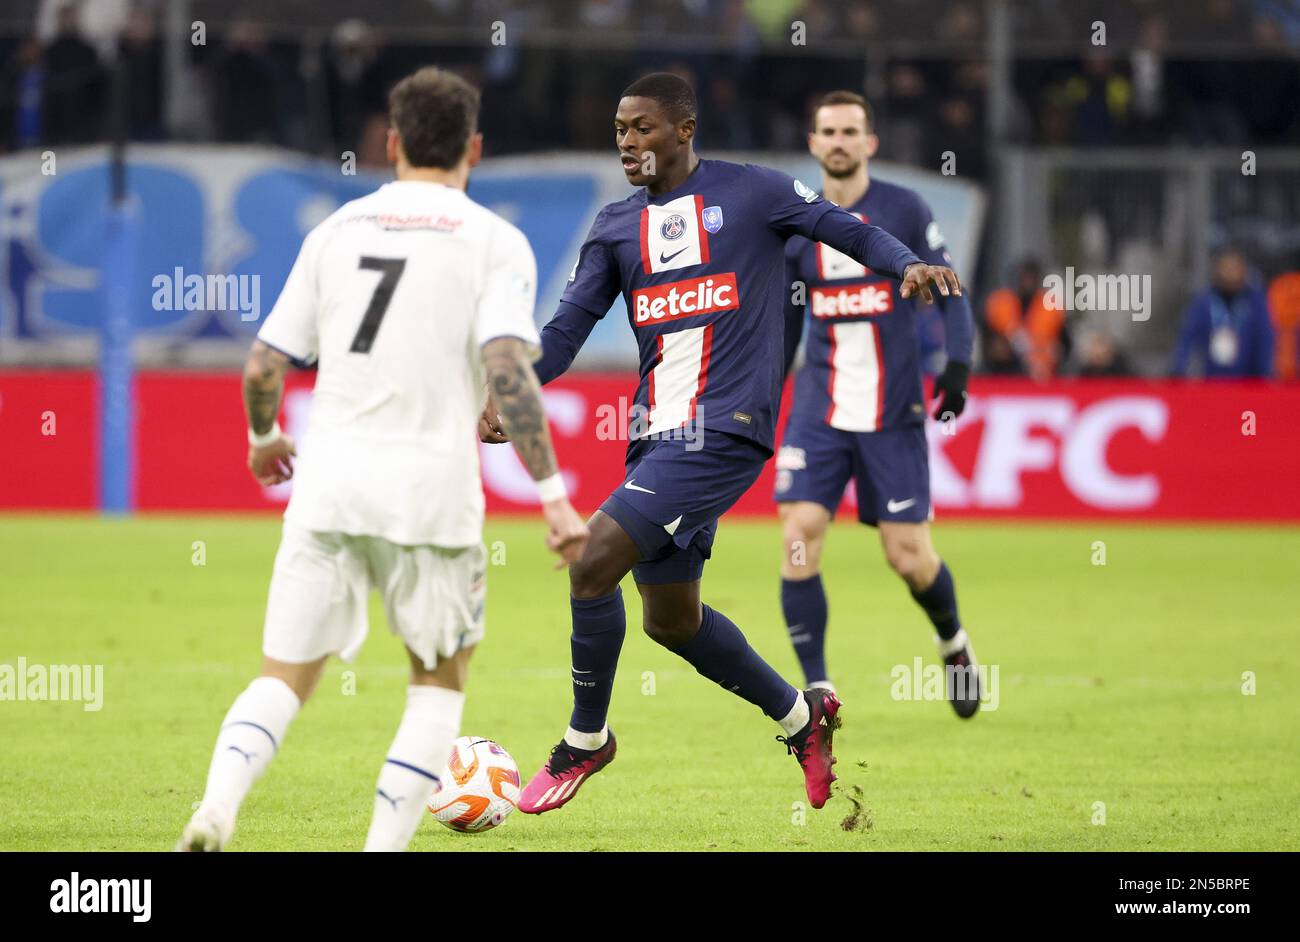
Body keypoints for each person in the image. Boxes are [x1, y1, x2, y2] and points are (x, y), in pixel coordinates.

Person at [480, 72, 960, 813]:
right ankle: (803, 722)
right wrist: (518, 387)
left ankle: (585, 740)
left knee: (591, 564)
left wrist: (907, 264)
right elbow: (569, 326)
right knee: (673, 621)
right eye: (619, 131)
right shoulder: (615, 226)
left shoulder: (756, 193)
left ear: (683, 128)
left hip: (725, 430)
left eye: (642, 128)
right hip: (654, 437)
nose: (628, 143)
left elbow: (846, 227)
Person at [178, 67, 588, 852]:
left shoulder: (335, 231)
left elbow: (264, 365)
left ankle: (217, 809)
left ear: (392, 143)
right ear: (475, 147)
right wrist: (554, 497)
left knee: (282, 678)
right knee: (436, 684)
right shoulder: (493, 240)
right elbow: (506, 367)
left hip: (329, 491)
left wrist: (264, 438)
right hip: (431, 498)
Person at [775, 90, 981, 719]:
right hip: (820, 407)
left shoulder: (904, 208)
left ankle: (953, 641)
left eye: (851, 131)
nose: (839, 141)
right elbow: (785, 320)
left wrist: (959, 362)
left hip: (892, 408)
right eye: (828, 131)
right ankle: (817, 688)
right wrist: (762, 392)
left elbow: (949, 291)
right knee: (798, 537)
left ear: (870, 142)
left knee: (908, 556)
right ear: (813, 144)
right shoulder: (795, 220)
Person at [1172, 248, 1274, 378]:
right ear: (1217, 271)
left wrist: (1266, 374)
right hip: (1210, 379)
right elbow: (1187, 337)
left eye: (1235, 268)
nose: (1230, 274)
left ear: (1244, 271)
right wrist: (1179, 370)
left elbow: (1265, 340)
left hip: (1248, 380)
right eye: (1226, 268)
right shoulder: (1203, 302)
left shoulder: (1256, 303)